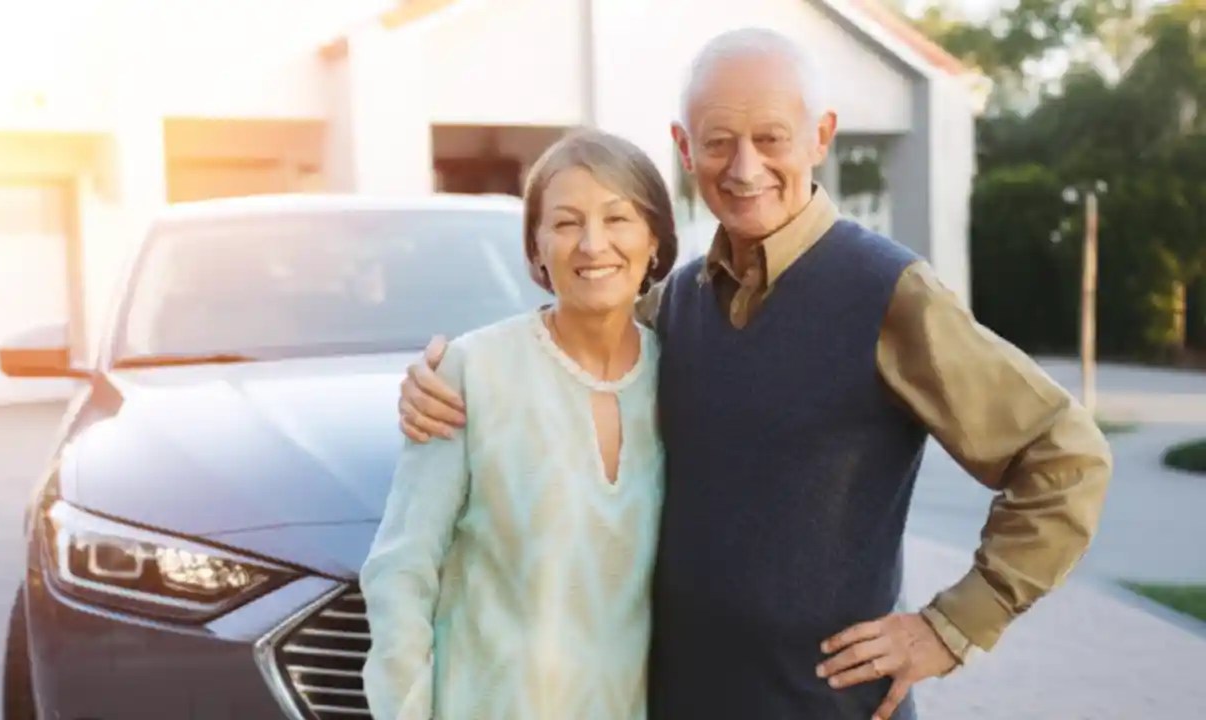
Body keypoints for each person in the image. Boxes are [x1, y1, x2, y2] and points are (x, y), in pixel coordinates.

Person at [395, 27, 1113, 720]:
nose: (744, 168)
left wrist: (952, 626)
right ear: (684, 148)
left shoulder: (889, 294)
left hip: (824, 709)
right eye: (717, 142)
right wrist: (446, 376)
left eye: (770, 139)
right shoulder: (675, 304)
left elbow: (1066, 457)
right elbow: (568, 346)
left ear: (821, 136)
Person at [360, 129, 679, 720]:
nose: (592, 244)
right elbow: (401, 573)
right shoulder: (471, 372)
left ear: (654, 239)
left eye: (618, 219)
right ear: (535, 248)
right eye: (564, 223)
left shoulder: (686, 380)